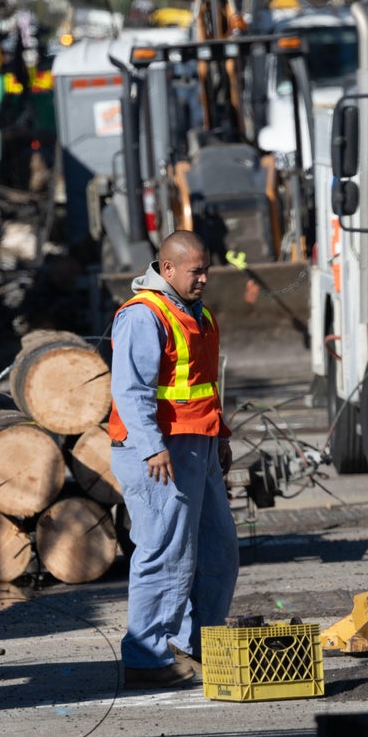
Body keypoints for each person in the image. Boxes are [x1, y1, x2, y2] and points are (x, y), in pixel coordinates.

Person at [108, 230, 238, 690]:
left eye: (207, 270)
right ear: (167, 269)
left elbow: (202, 386)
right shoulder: (143, 315)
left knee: (218, 550)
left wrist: (220, 436)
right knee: (165, 554)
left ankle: (194, 645)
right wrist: (151, 446)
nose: (204, 279)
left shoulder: (196, 313)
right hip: (159, 452)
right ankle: (146, 658)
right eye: (195, 271)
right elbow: (130, 390)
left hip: (197, 446)